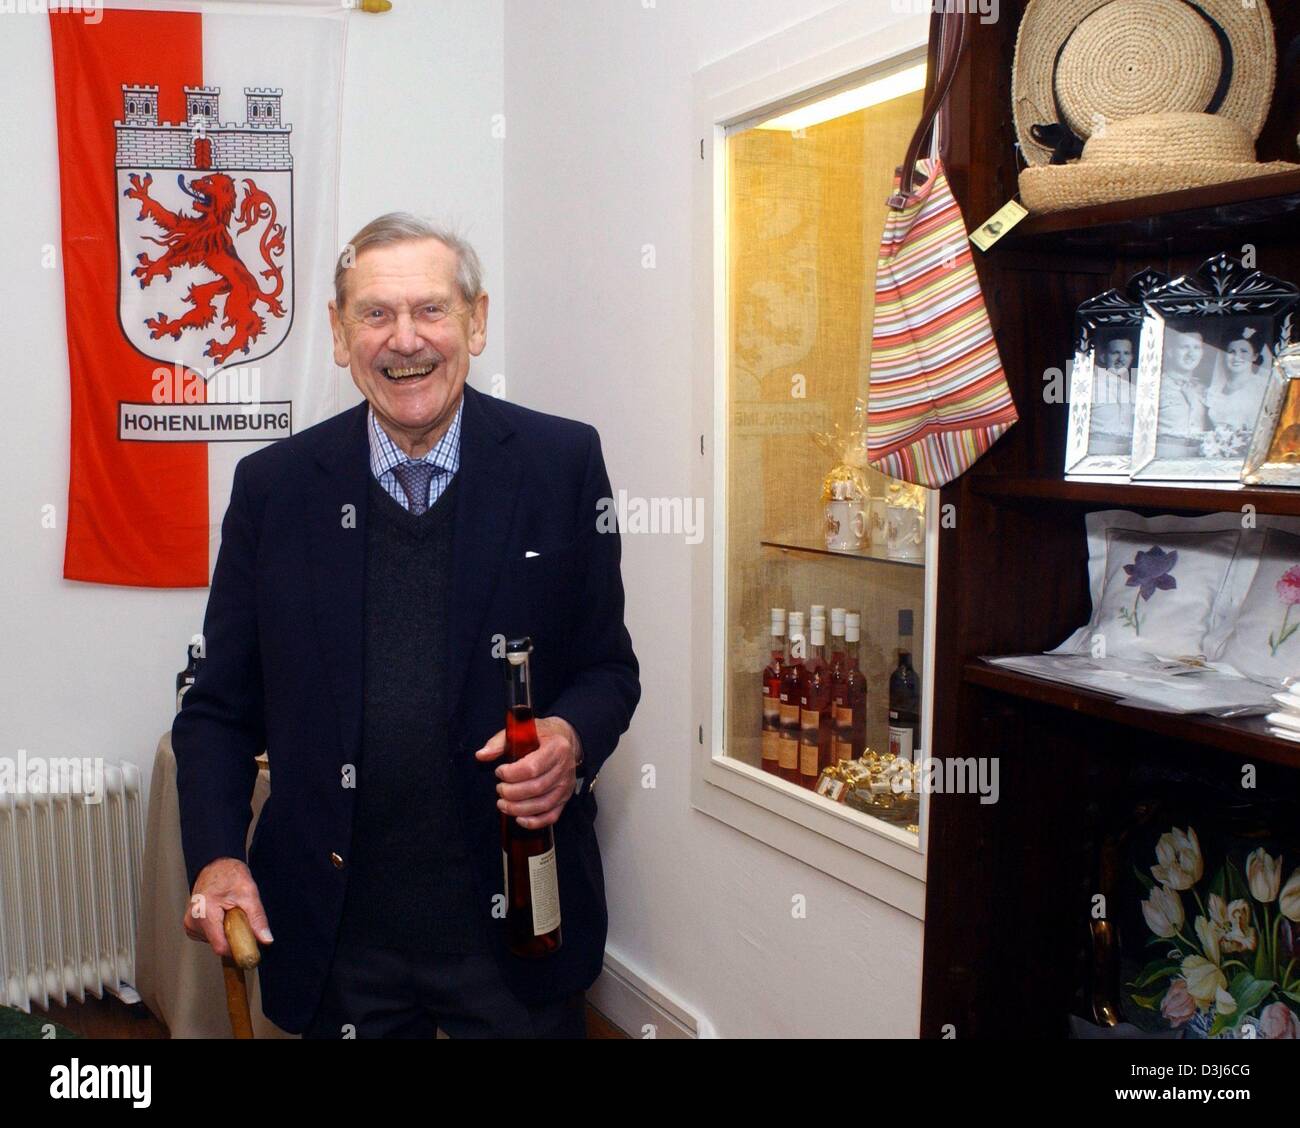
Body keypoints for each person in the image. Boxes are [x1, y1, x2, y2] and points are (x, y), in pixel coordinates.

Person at [171, 213, 641, 1039]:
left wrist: (570, 735)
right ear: (339, 331)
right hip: (337, 936)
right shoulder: (274, 490)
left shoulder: (562, 464)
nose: (405, 340)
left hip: (515, 923)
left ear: (477, 321)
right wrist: (218, 853)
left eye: (430, 310)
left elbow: (609, 668)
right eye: (376, 314)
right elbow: (217, 709)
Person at [1155, 328, 1210, 458]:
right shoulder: (1156, 386)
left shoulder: (1204, 388)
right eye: (1184, 347)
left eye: (1197, 348)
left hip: (1197, 463)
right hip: (1162, 462)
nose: (1191, 354)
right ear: (1170, 352)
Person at [1206, 328, 1267, 433]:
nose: (1237, 357)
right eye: (1231, 352)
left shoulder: (1262, 387)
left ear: (1254, 356)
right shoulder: (1214, 390)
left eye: (1244, 351)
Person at [1087, 335, 1136, 455]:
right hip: (1094, 454)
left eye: (1126, 353)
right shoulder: (1089, 384)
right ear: (1103, 356)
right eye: (1115, 353)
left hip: (1125, 457)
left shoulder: (1133, 390)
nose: (1121, 359)